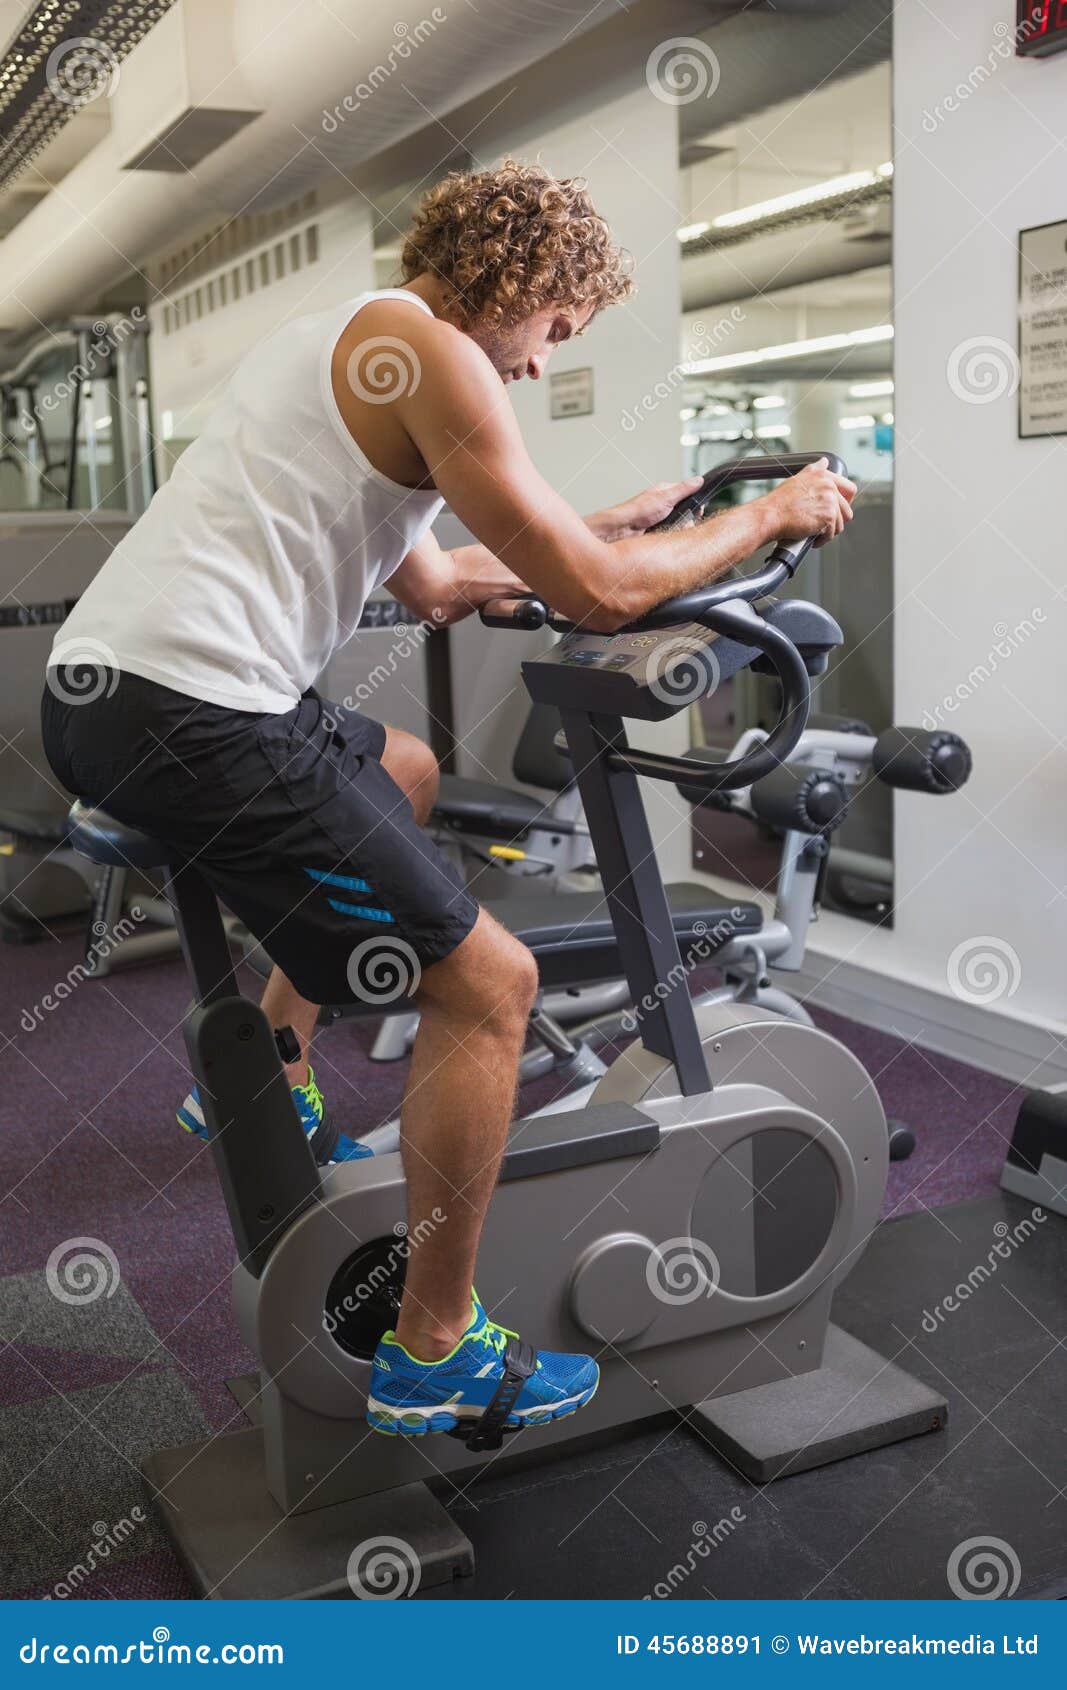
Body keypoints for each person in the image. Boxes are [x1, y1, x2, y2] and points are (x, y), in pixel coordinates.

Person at [41, 160, 855, 1441]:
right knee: (490, 985)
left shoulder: (348, 340)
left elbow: (430, 583)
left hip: (111, 696)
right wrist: (761, 518)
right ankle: (432, 1348)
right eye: (553, 331)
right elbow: (590, 594)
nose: (539, 364)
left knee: (405, 767)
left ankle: (279, 1070)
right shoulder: (438, 360)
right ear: (526, 283)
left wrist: (610, 525)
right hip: (198, 717)